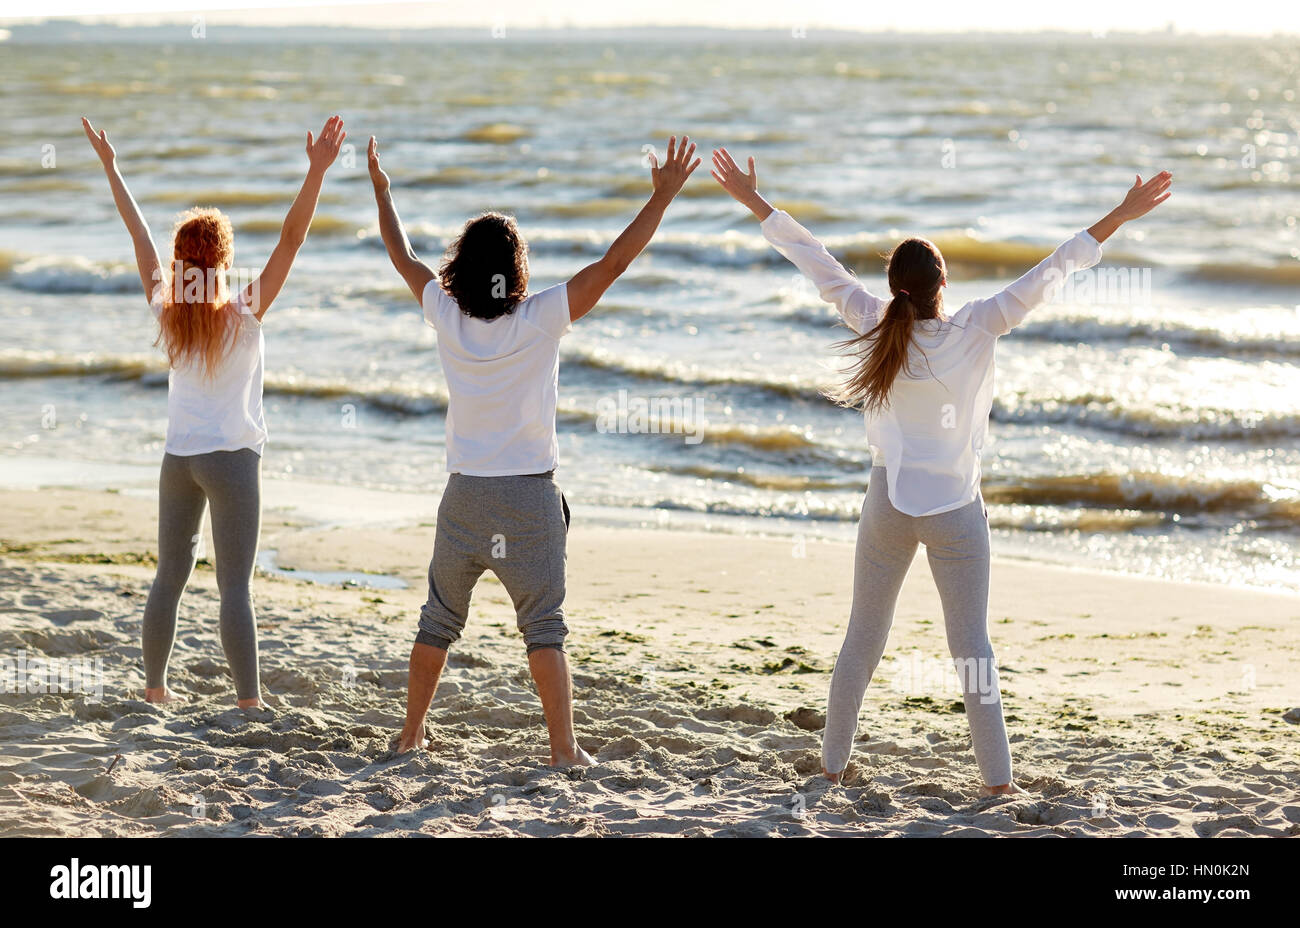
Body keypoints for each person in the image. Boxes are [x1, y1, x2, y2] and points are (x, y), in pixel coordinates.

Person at [711, 146, 1172, 793]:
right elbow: (1054, 269)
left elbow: (815, 261)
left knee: (862, 640)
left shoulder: (873, 320)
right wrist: (1119, 215)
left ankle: (832, 767)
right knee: (972, 652)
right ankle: (997, 784)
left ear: (896, 285)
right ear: (942, 285)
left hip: (888, 507)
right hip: (956, 512)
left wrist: (756, 201)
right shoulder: (979, 327)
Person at [368, 134, 701, 766]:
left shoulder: (445, 314)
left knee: (438, 620)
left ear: (461, 269)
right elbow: (613, 263)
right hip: (529, 498)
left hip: (465, 495)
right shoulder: (542, 317)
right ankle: (563, 749)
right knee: (543, 629)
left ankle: (411, 733)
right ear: (515, 269)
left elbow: (399, 251)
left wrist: (382, 190)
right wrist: (661, 198)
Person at [82, 114, 348, 708]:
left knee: (169, 579)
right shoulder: (246, 313)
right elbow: (291, 241)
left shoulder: (167, 308)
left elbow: (139, 235)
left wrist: (112, 166)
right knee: (234, 588)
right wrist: (317, 173)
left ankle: (154, 691)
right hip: (231, 461)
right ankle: (249, 702)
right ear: (225, 260)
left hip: (179, 461)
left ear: (181, 263)